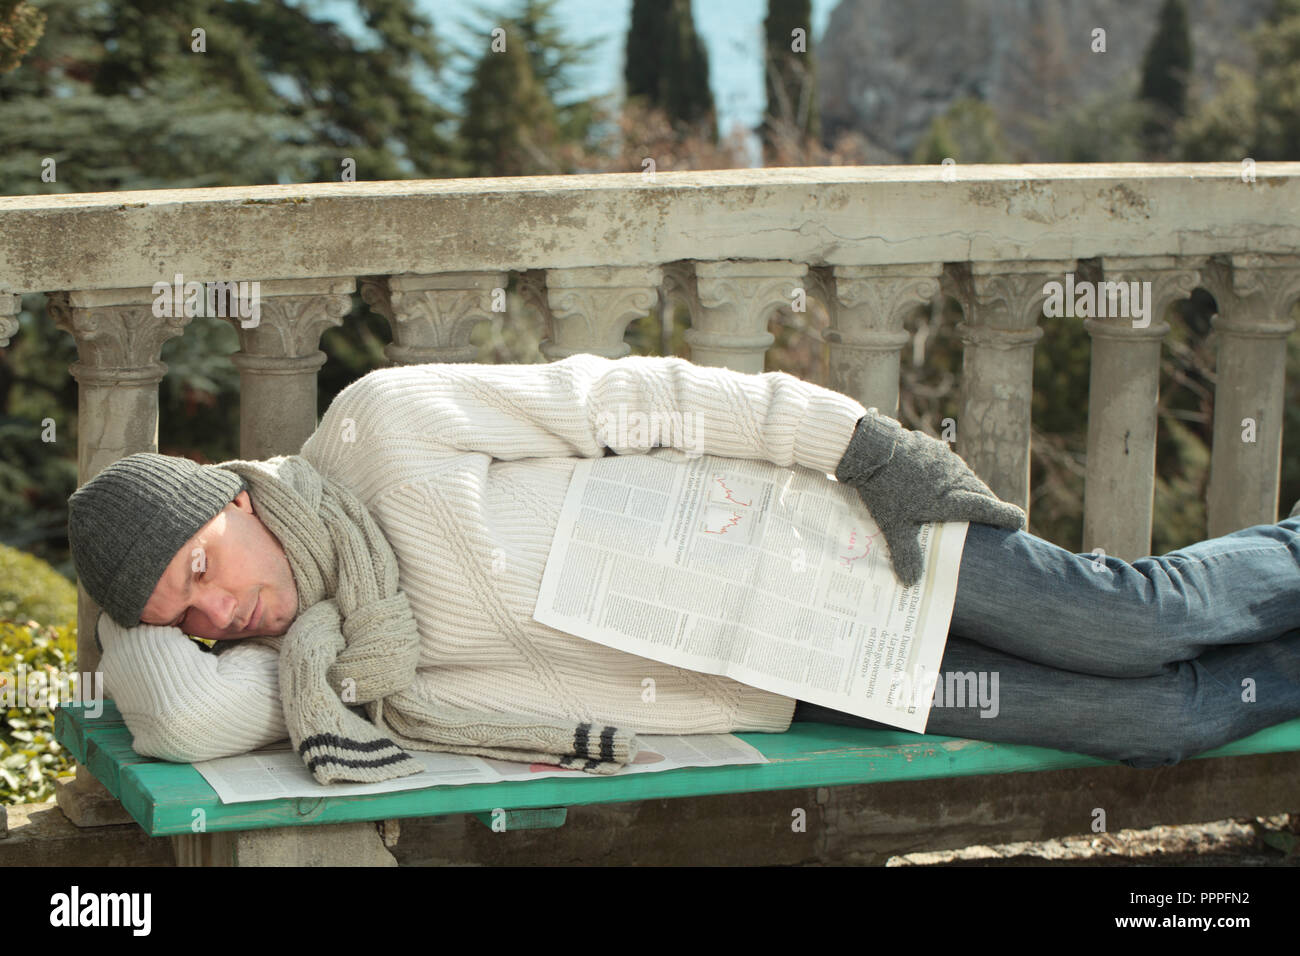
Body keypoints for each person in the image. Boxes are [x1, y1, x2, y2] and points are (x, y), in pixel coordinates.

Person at [66, 353, 1300, 779]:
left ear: (229, 485)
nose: (222, 612)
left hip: (830, 544)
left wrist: (862, 446)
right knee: (1156, 719)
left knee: (1147, 620)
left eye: (200, 565)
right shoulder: (337, 670)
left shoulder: (385, 427)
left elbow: (645, 397)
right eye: (194, 615)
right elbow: (171, 713)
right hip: (803, 670)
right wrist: (141, 608)